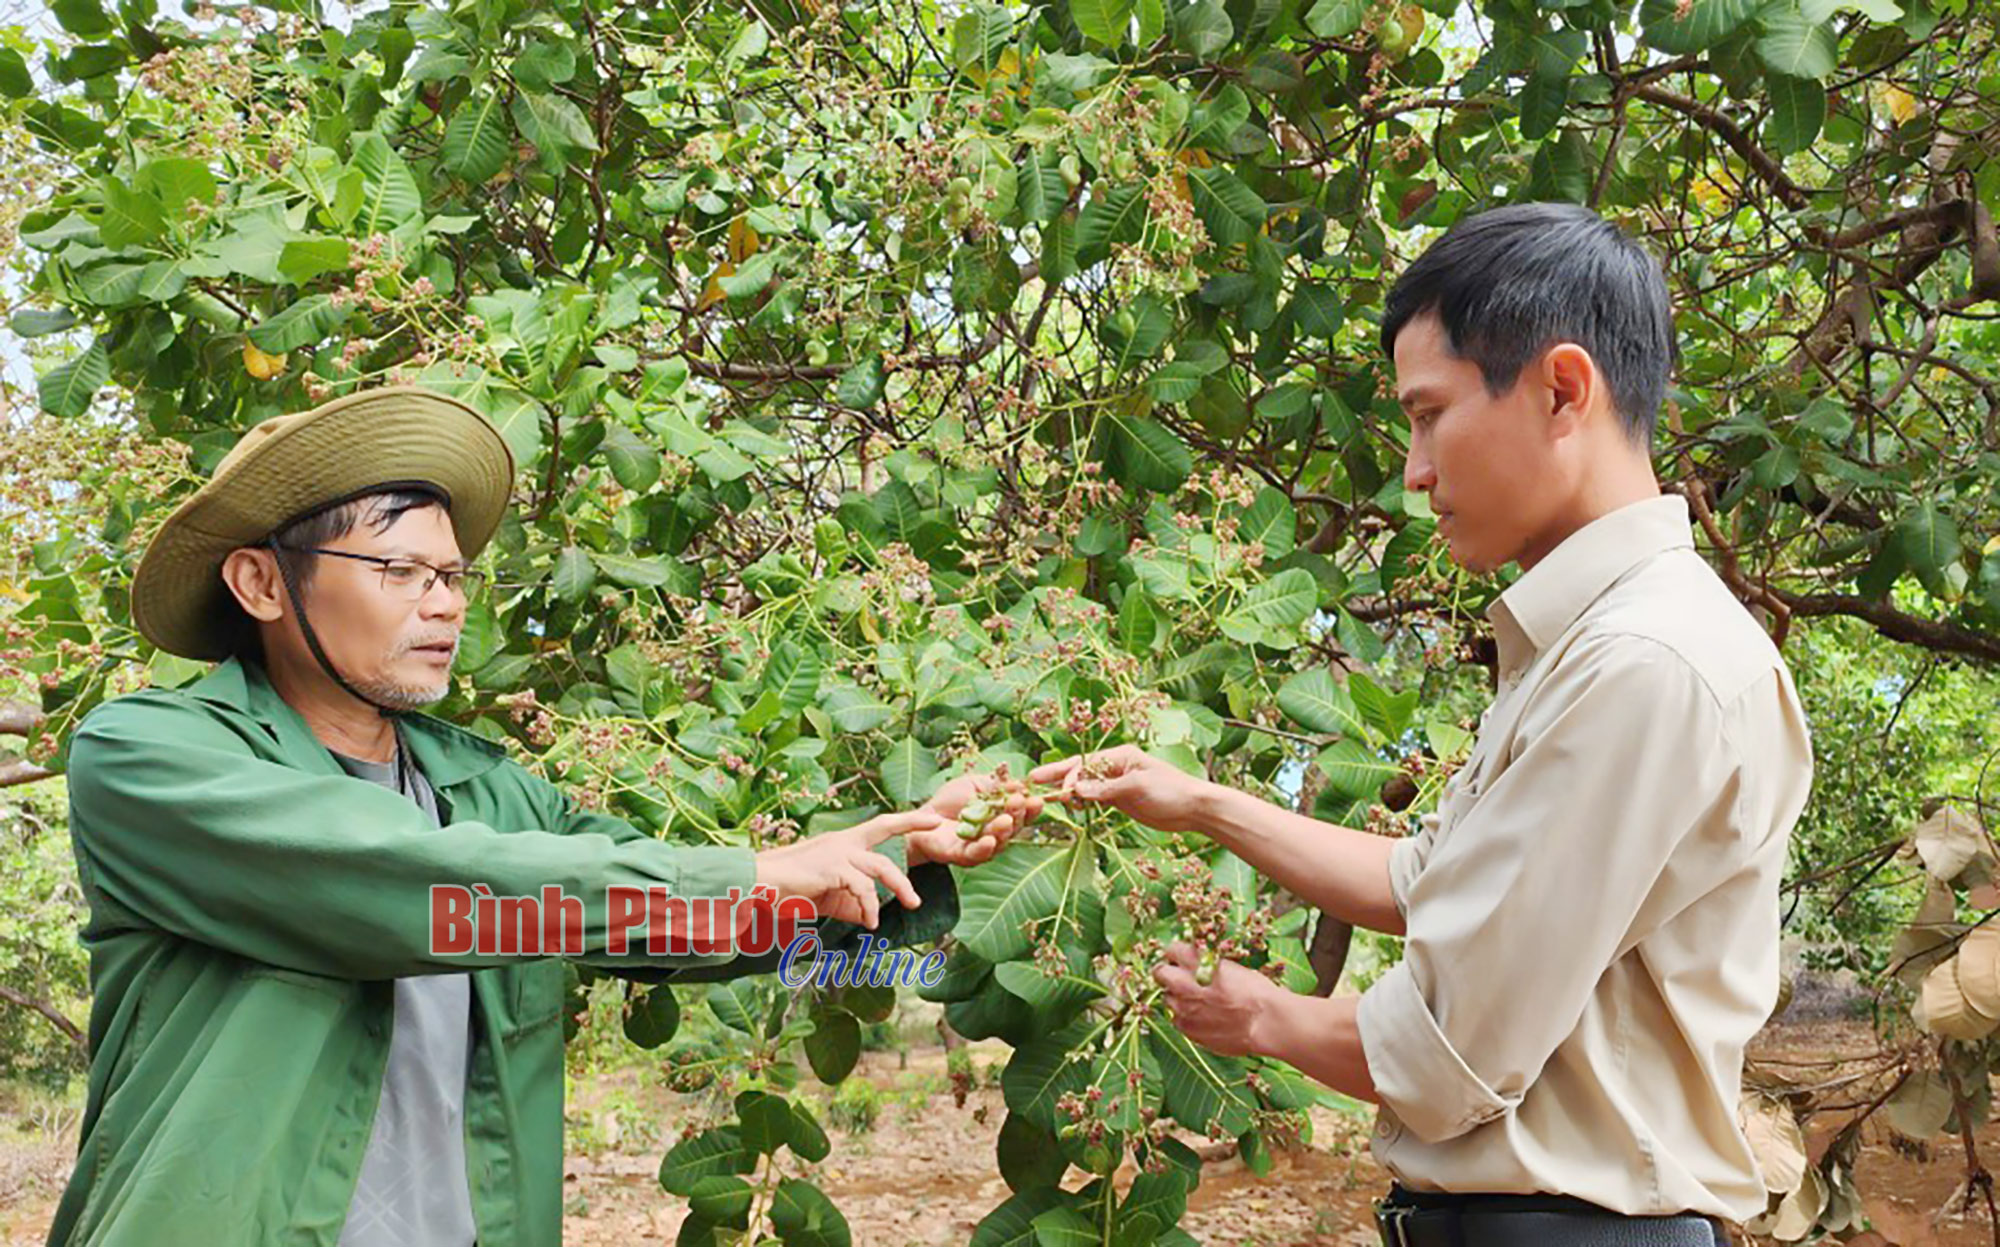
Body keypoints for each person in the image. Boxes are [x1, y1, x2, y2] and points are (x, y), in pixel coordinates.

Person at [45, 386, 1035, 1247]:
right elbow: (418, 887)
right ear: (263, 581)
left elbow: (660, 919)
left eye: (452, 576)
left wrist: (898, 854)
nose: (441, 606)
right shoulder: (149, 758)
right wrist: (753, 870)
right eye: (399, 571)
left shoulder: (488, 788)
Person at [1032, 202, 1814, 1247]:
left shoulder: (1642, 663)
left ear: (1560, 390)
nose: (1412, 470)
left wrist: (1259, 1016)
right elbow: (1427, 883)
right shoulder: (1588, 647)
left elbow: (1457, 1047)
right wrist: (1196, 803)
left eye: (1427, 411)